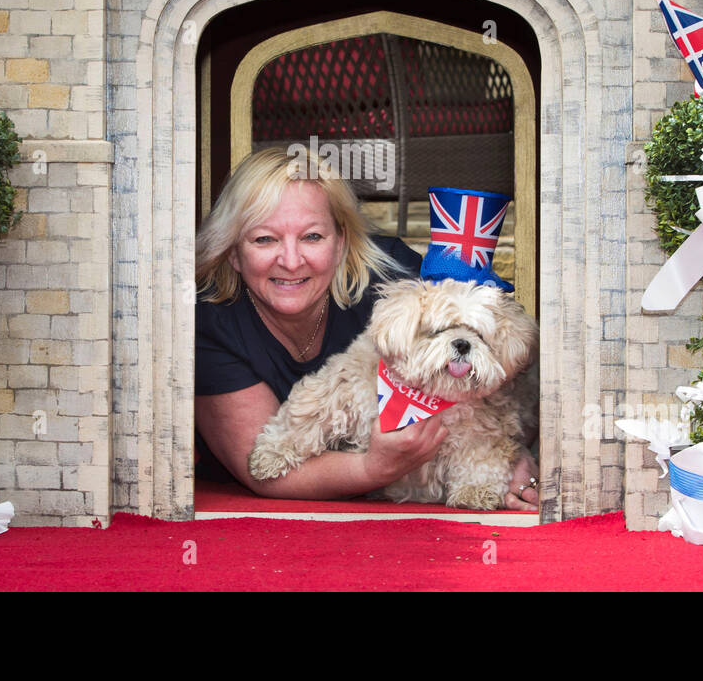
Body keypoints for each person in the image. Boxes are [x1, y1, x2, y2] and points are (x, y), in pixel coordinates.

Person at [195, 146, 539, 509]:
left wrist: (507, 459)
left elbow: (505, 370)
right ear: (233, 252)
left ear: (341, 241)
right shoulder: (210, 322)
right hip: (269, 519)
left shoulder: (393, 276)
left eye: (312, 237)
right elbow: (262, 472)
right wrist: (372, 468)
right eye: (265, 239)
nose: (292, 261)